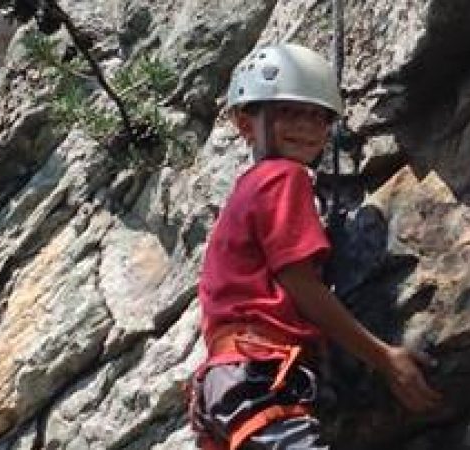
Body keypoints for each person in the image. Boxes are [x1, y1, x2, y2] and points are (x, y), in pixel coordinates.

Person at [188, 43, 443, 450]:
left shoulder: (245, 192)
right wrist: (385, 358)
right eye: (289, 111)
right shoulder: (283, 178)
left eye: (318, 116)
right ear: (245, 123)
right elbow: (301, 285)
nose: (306, 127)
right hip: (259, 373)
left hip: (228, 382)